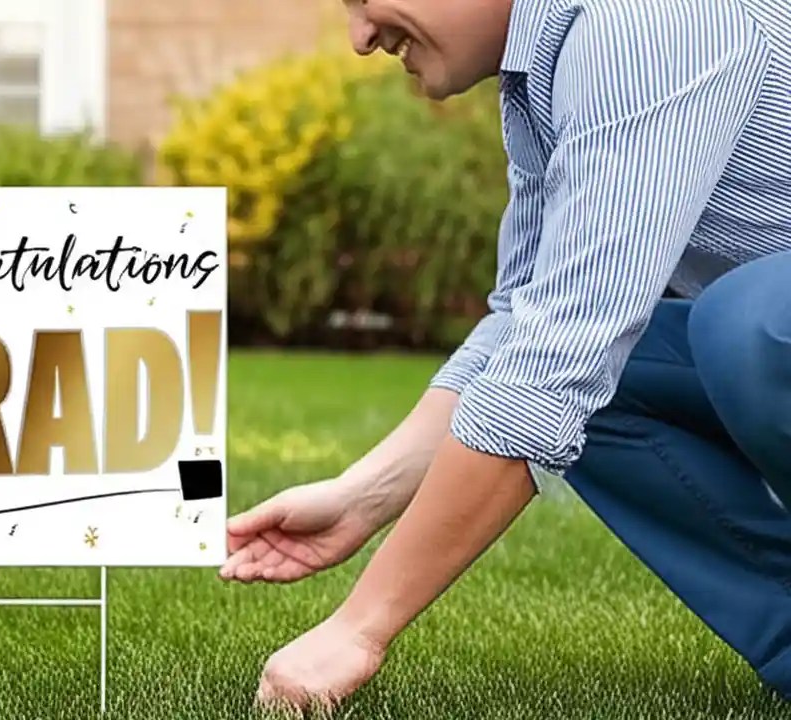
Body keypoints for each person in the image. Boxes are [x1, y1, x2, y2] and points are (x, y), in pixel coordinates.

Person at [220, 0, 791, 711]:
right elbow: (528, 322)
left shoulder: (649, 23)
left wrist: (360, 626)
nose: (360, 37)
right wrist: (362, 496)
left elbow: (560, 358)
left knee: (753, 324)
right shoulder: (548, 67)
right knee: (618, 371)